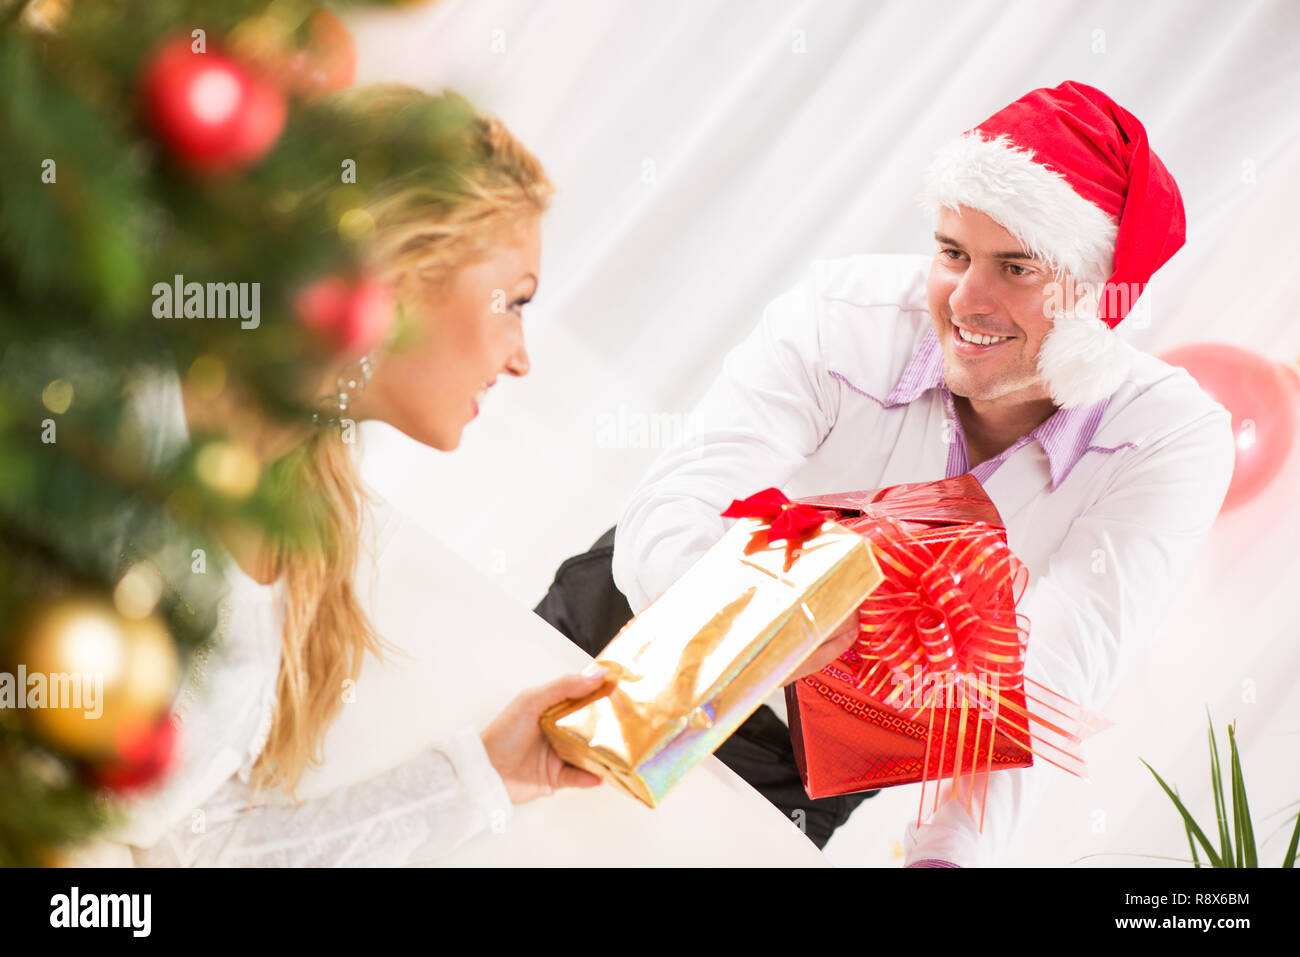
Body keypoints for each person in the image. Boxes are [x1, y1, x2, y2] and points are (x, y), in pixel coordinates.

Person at [546, 81, 1236, 866]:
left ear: (1098, 299)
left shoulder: (1167, 441)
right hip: (640, 622)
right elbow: (682, 498)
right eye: (952, 253)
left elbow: (1048, 676)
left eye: (1015, 267)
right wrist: (753, 641)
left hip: (805, 761)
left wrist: (947, 853)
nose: (966, 299)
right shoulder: (843, 313)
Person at [116, 85, 604, 866]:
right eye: (513, 302)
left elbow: (198, 843)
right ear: (404, 269)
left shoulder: (300, 520)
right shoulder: (126, 408)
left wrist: (486, 774)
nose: (521, 356)